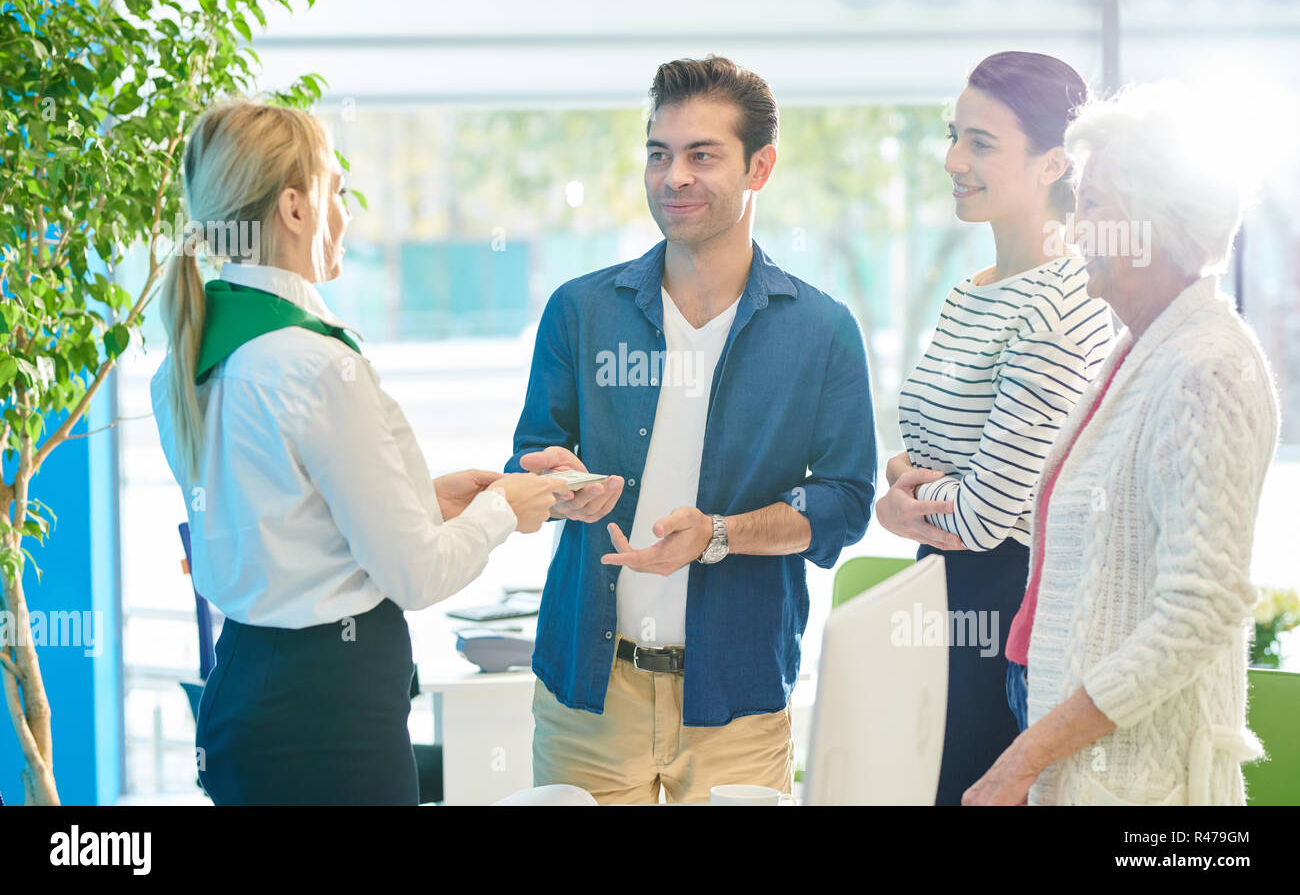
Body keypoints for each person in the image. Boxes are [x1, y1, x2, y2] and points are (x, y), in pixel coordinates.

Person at [151, 99, 570, 805]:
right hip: (329, 724)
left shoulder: (189, 359)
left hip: (244, 697)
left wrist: (425, 500)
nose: (344, 213)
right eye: (336, 193)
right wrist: (505, 508)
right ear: (293, 208)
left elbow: (289, 522)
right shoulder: (314, 364)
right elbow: (416, 575)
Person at [506, 55, 876, 804]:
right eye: (659, 154)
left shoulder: (823, 331)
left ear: (759, 167)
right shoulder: (580, 311)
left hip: (736, 699)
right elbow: (530, 455)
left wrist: (720, 534)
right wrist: (553, 484)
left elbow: (845, 503)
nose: (674, 176)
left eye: (702, 155)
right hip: (590, 693)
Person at [965, 81, 1280, 806]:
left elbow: (1199, 611)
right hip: (1076, 746)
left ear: (1152, 223)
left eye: (1092, 206)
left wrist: (1024, 757)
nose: (1072, 231)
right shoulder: (1138, 349)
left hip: (1140, 780)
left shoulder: (1208, 369)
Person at [874, 52, 1112, 804]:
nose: (954, 160)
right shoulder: (975, 288)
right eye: (954, 136)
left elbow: (983, 519)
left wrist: (903, 502)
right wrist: (905, 484)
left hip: (1004, 614)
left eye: (981, 143)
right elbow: (924, 454)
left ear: (1053, 164)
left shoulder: (1061, 305)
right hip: (939, 591)